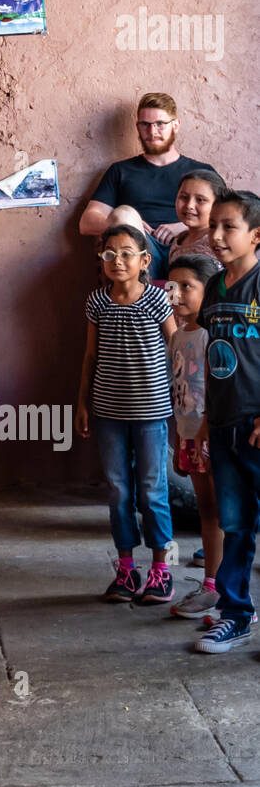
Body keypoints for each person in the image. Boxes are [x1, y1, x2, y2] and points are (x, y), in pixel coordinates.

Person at [76, 224, 177, 603]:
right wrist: (82, 403)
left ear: (143, 260)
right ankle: (125, 571)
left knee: (153, 491)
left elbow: (174, 347)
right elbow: (90, 357)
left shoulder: (156, 300)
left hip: (152, 412)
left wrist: (185, 403)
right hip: (107, 413)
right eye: (109, 254)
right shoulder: (97, 303)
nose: (117, 261)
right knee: (119, 490)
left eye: (126, 254)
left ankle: (161, 571)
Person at [193, 190, 260, 653]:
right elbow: (211, 358)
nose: (215, 235)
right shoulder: (215, 288)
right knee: (235, 524)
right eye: (213, 225)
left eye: (228, 226)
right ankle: (236, 614)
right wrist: (203, 421)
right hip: (222, 424)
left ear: (256, 235)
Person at [79, 93, 220, 281]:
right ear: (138, 127)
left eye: (160, 124)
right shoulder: (121, 170)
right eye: (145, 125)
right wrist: (127, 226)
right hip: (140, 251)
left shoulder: (201, 171)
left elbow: (225, 218)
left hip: (189, 247)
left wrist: (183, 228)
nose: (152, 132)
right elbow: (86, 223)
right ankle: (144, 294)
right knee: (125, 214)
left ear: (175, 125)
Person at [166, 255, 222, 619]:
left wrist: (204, 432)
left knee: (224, 511)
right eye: (172, 286)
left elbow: (219, 387)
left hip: (215, 435)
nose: (178, 294)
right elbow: (177, 393)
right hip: (189, 438)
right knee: (207, 510)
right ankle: (211, 584)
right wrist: (179, 441)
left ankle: (223, 586)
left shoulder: (211, 335)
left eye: (188, 286)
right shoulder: (178, 336)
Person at [166, 170, 226, 275]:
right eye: (184, 197)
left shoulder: (217, 240)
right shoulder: (179, 239)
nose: (189, 205)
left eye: (200, 200)